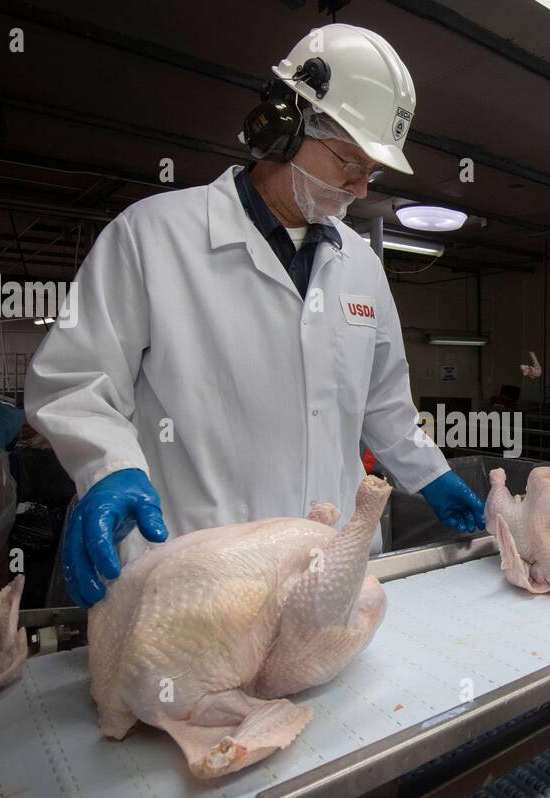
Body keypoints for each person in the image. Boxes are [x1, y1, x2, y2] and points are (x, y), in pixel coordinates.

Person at [24, 24, 484, 608]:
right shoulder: (154, 235)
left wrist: (430, 474)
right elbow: (75, 381)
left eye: (371, 171)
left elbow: (384, 403)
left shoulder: (362, 264)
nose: (358, 185)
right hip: (199, 577)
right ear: (283, 127)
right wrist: (109, 466)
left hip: (329, 574)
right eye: (347, 160)